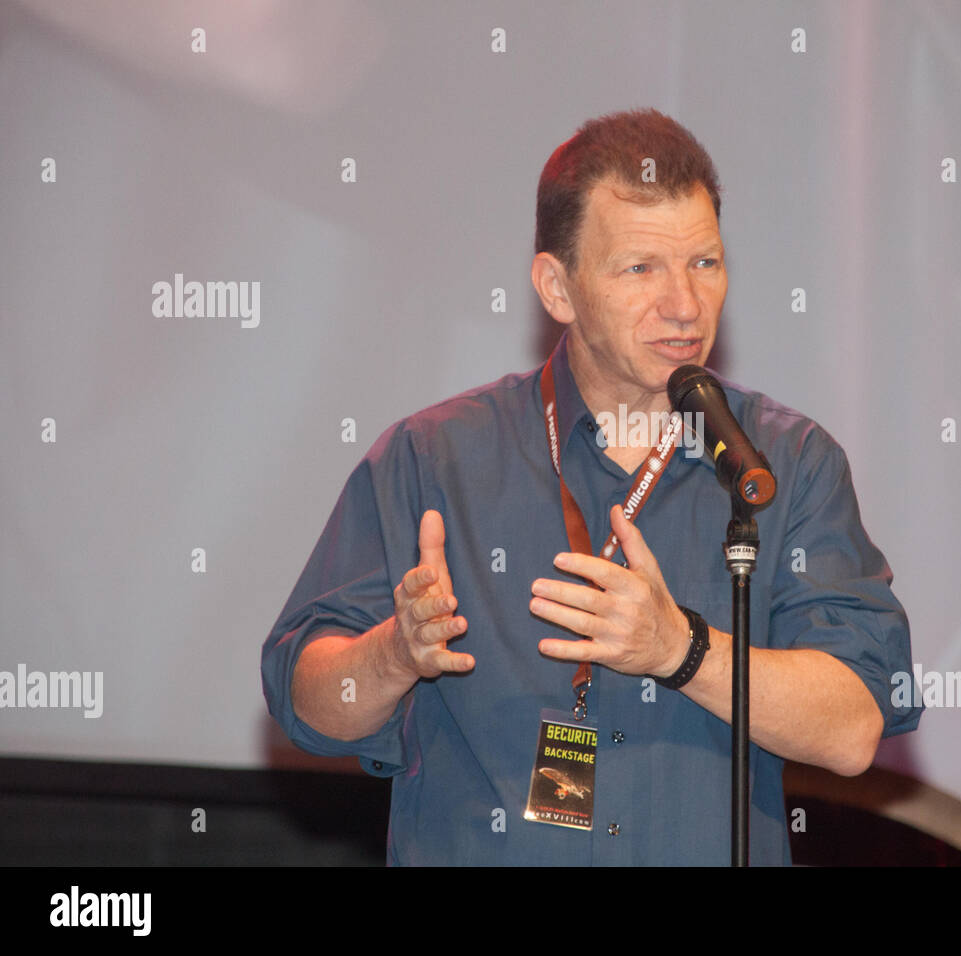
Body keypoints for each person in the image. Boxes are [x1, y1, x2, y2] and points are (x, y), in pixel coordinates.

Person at [261, 108, 921, 865]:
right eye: (640, 268)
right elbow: (307, 704)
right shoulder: (434, 458)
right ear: (558, 287)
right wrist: (392, 655)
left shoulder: (783, 464)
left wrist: (680, 649)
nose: (683, 304)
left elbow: (854, 727)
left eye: (704, 263)